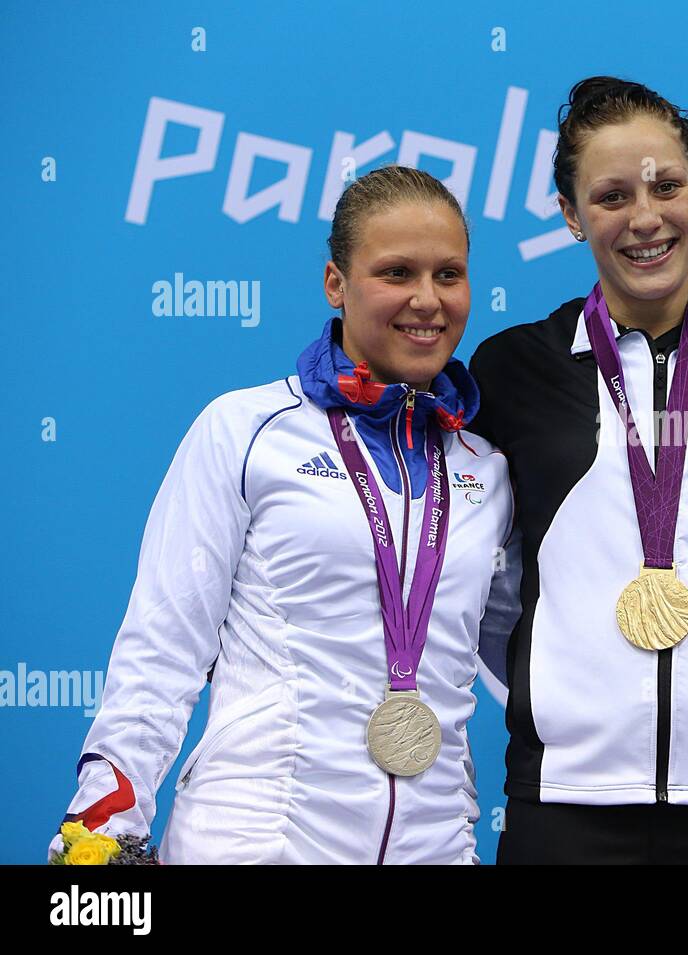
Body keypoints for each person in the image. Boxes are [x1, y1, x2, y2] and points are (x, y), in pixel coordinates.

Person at [50, 166, 513, 864]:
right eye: (396, 272)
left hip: (435, 846)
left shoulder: (486, 467)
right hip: (255, 842)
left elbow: (541, 660)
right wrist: (98, 827)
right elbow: (163, 648)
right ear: (336, 283)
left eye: (449, 274)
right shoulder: (245, 430)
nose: (427, 299)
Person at [470, 77, 688, 864]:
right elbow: (470, 568)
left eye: (667, 186)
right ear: (570, 215)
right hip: (564, 802)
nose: (645, 217)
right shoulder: (512, 371)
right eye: (610, 195)